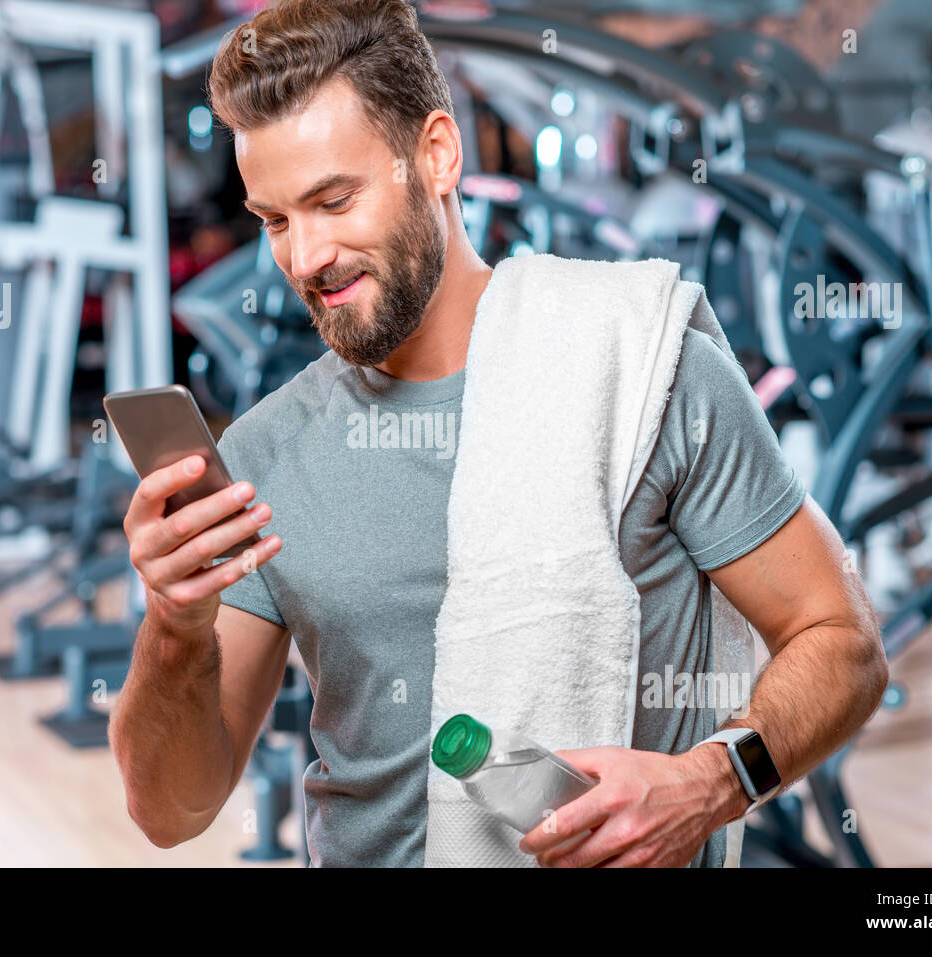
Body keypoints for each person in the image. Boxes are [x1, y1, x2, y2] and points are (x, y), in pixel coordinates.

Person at [108, 0, 887, 868]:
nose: (304, 257)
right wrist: (173, 623)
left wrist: (712, 781)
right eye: (276, 220)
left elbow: (843, 641)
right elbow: (173, 810)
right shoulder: (266, 455)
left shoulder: (644, 367)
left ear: (436, 155)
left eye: (334, 200)